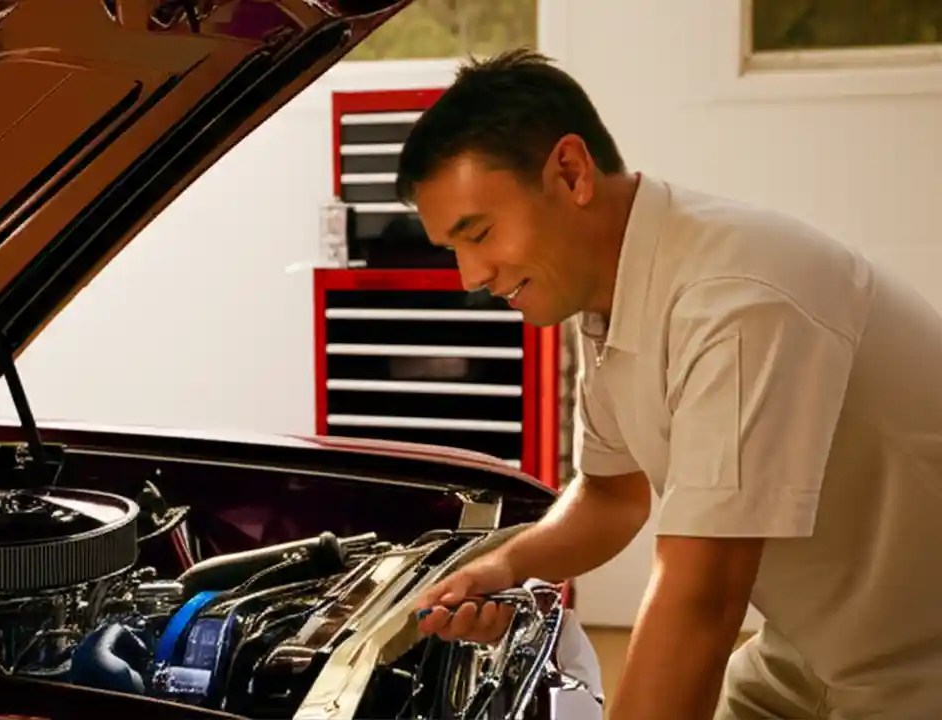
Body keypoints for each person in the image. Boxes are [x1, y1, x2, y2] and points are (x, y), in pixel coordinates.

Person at [397, 48, 942, 720]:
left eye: (477, 233)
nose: (469, 276)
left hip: (920, 665)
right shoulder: (611, 298)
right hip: (805, 652)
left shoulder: (736, 300)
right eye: (452, 249)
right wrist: (504, 565)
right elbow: (611, 496)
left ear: (570, 173)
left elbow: (705, 596)